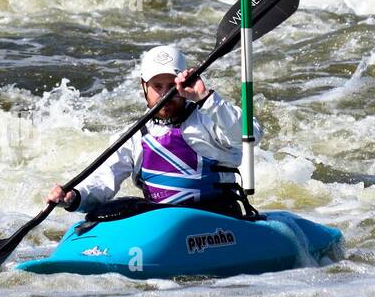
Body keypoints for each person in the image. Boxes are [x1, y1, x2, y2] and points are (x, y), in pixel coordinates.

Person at [46, 45, 261, 217]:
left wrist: (204, 97)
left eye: (171, 86)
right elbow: (104, 180)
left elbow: (249, 135)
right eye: (157, 86)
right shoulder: (135, 136)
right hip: (161, 223)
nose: (165, 94)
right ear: (144, 87)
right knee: (108, 211)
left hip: (215, 218)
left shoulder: (208, 117)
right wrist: (74, 197)